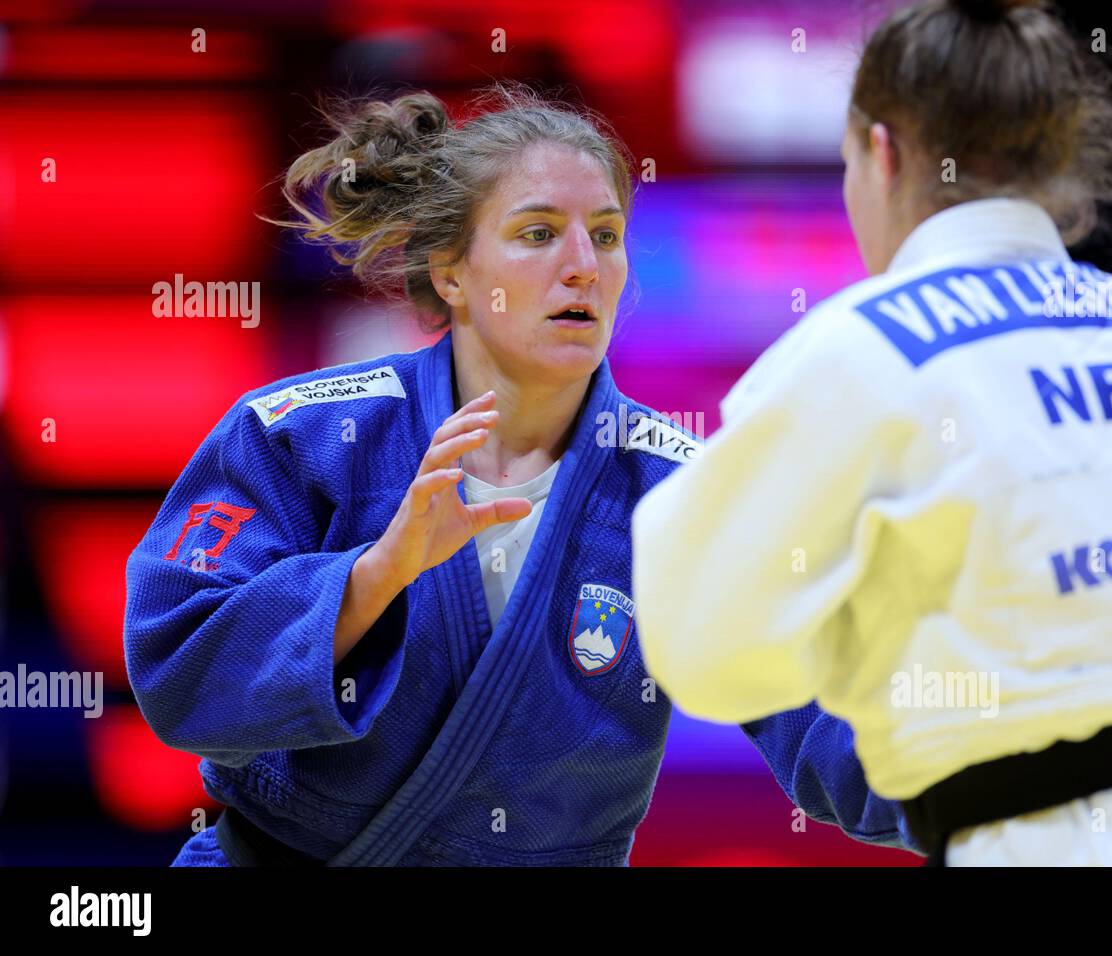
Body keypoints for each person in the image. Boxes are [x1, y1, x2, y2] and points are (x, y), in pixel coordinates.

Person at [123, 87, 911, 866]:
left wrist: (991, 784)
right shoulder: (305, 434)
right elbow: (178, 669)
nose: (582, 268)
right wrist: (375, 576)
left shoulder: (688, 492)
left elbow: (824, 720)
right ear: (453, 272)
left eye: (605, 236)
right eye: (538, 234)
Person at [631, 0, 1112, 865]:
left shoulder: (852, 356)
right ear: (1059, 157)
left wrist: (874, 644)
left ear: (881, 152)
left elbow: (705, 654)